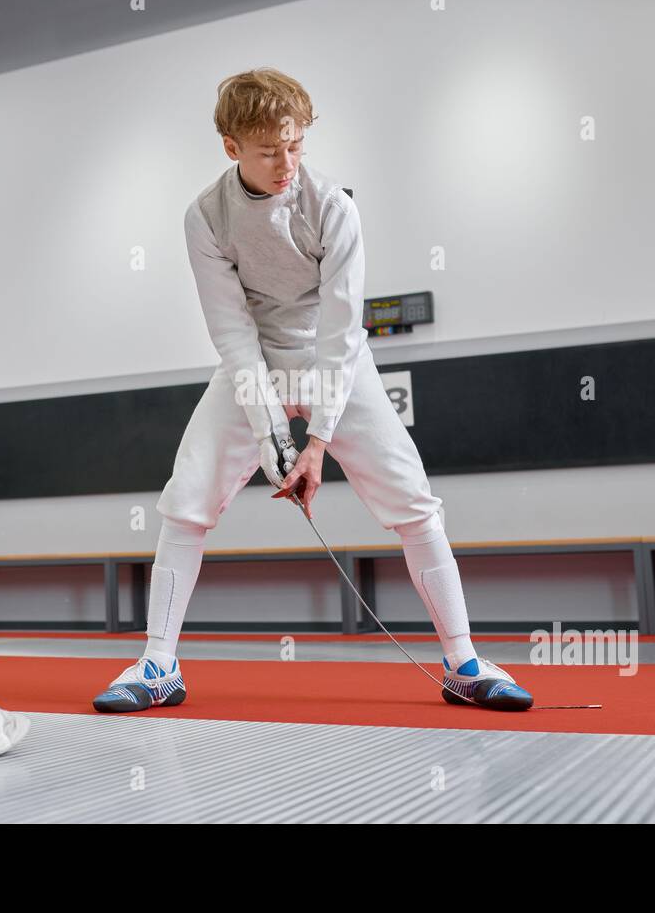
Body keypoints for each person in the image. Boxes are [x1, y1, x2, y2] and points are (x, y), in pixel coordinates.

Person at [93, 68, 532, 714]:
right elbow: (231, 330)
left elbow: (340, 327)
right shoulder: (205, 217)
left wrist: (316, 439)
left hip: (339, 360)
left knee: (413, 504)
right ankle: (158, 664)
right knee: (185, 502)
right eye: (269, 150)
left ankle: (463, 662)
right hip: (255, 363)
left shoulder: (331, 205)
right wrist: (271, 428)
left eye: (295, 146)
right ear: (231, 146)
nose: (286, 163)